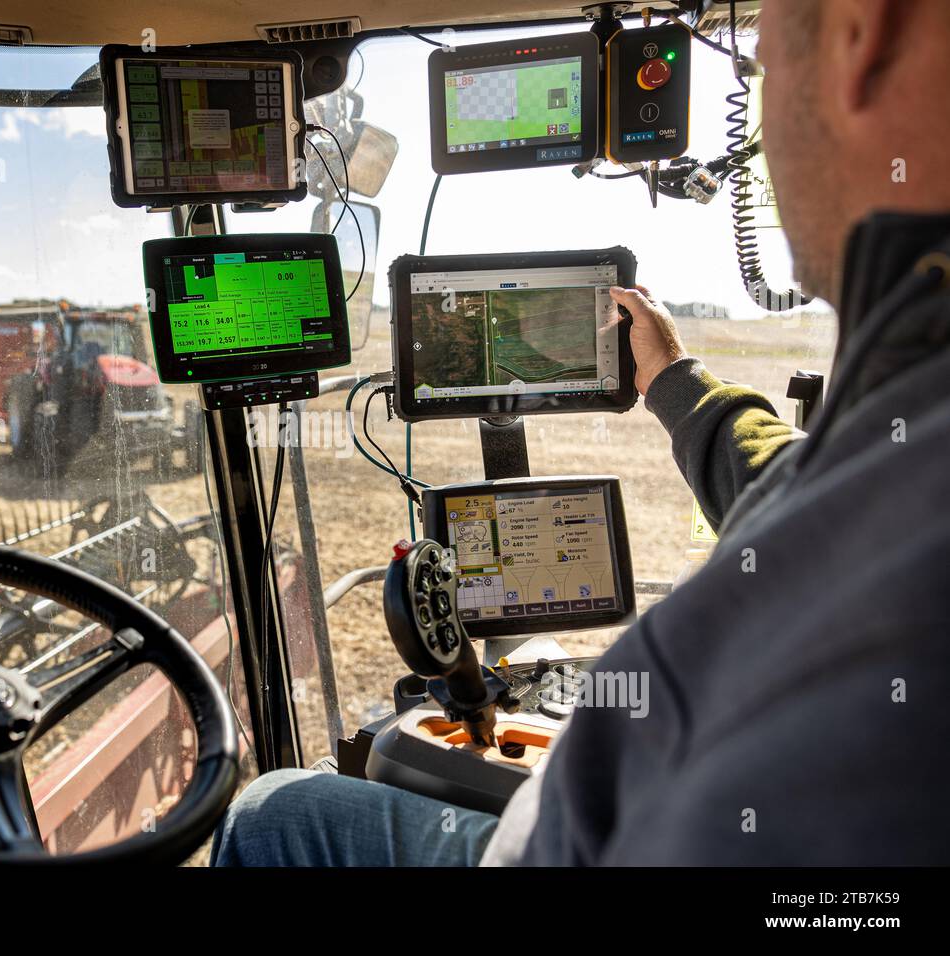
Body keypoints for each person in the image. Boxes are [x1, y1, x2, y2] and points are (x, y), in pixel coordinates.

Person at [212, 0, 950, 866]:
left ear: (859, 31)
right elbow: (811, 508)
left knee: (274, 810)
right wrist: (677, 386)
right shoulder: (900, 440)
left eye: (758, 63)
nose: (755, 107)